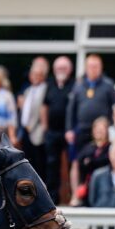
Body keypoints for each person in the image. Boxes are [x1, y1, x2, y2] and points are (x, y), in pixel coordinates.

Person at [66, 53, 115, 159]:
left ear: (101, 67)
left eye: (96, 66)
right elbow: (71, 109)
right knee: (79, 160)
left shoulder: (108, 85)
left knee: (100, 160)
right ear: (86, 68)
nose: (93, 69)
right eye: (90, 66)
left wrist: (113, 127)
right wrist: (69, 129)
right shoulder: (78, 85)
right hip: (82, 130)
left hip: (102, 131)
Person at [41, 56, 75, 203]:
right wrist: (45, 127)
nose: (61, 71)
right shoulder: (49, 84)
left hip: (69, 133)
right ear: (54, 70)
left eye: (64, 68)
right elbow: (44, 106)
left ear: (70, 70)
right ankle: (52, 199)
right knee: (51, 165)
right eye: (59, 68)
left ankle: (71, 197)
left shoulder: (75, 85)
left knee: (71, 165)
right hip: (52, 132)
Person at [18, 57, 49, 181]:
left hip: (37, 131)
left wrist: (43, 128)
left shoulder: (45, 89)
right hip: (25, 131)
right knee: (28, 163)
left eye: (38, 74)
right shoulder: (28, 90)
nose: (34, 76)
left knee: (39, 164)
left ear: (43, 76)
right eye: (33, 74)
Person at [70, 117, 112, 206]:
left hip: (105, 188)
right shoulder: (87, 148)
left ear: (107, 131)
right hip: (86, 188)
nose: (99, 132)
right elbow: (77, 167)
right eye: (96, 129)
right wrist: (76, 193)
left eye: (102, 129)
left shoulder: (111, 148)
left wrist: (91, 161)